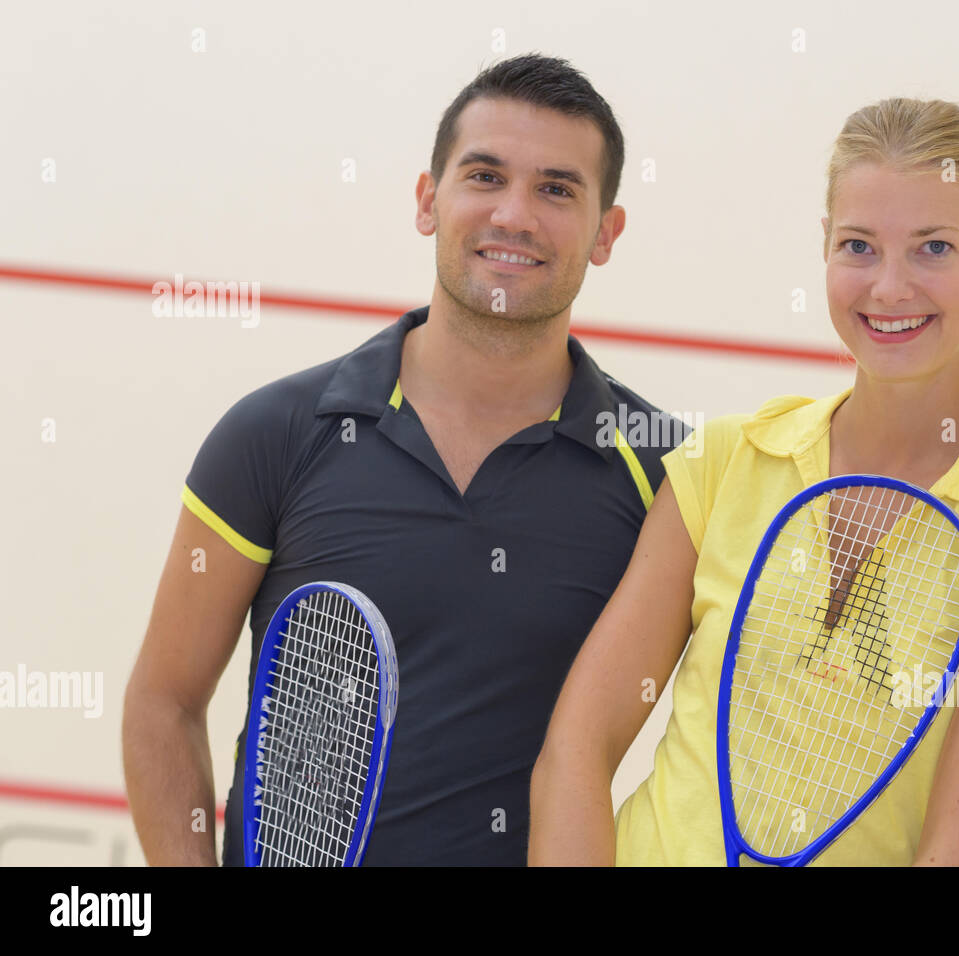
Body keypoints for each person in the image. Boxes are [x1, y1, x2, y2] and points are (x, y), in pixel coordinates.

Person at [123, 53, 682, 865]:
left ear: (606, 233)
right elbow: (164, 702)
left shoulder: (665, 473)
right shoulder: (274, 435)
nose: (515, 215)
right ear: (429, 202)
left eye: (557, 189)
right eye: (484, 176)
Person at [529, 97, 959, 866]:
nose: (890, 288)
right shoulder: (728, 459)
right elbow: (576, 749)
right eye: (859, 246)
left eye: (933, 248)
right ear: (825, 248)